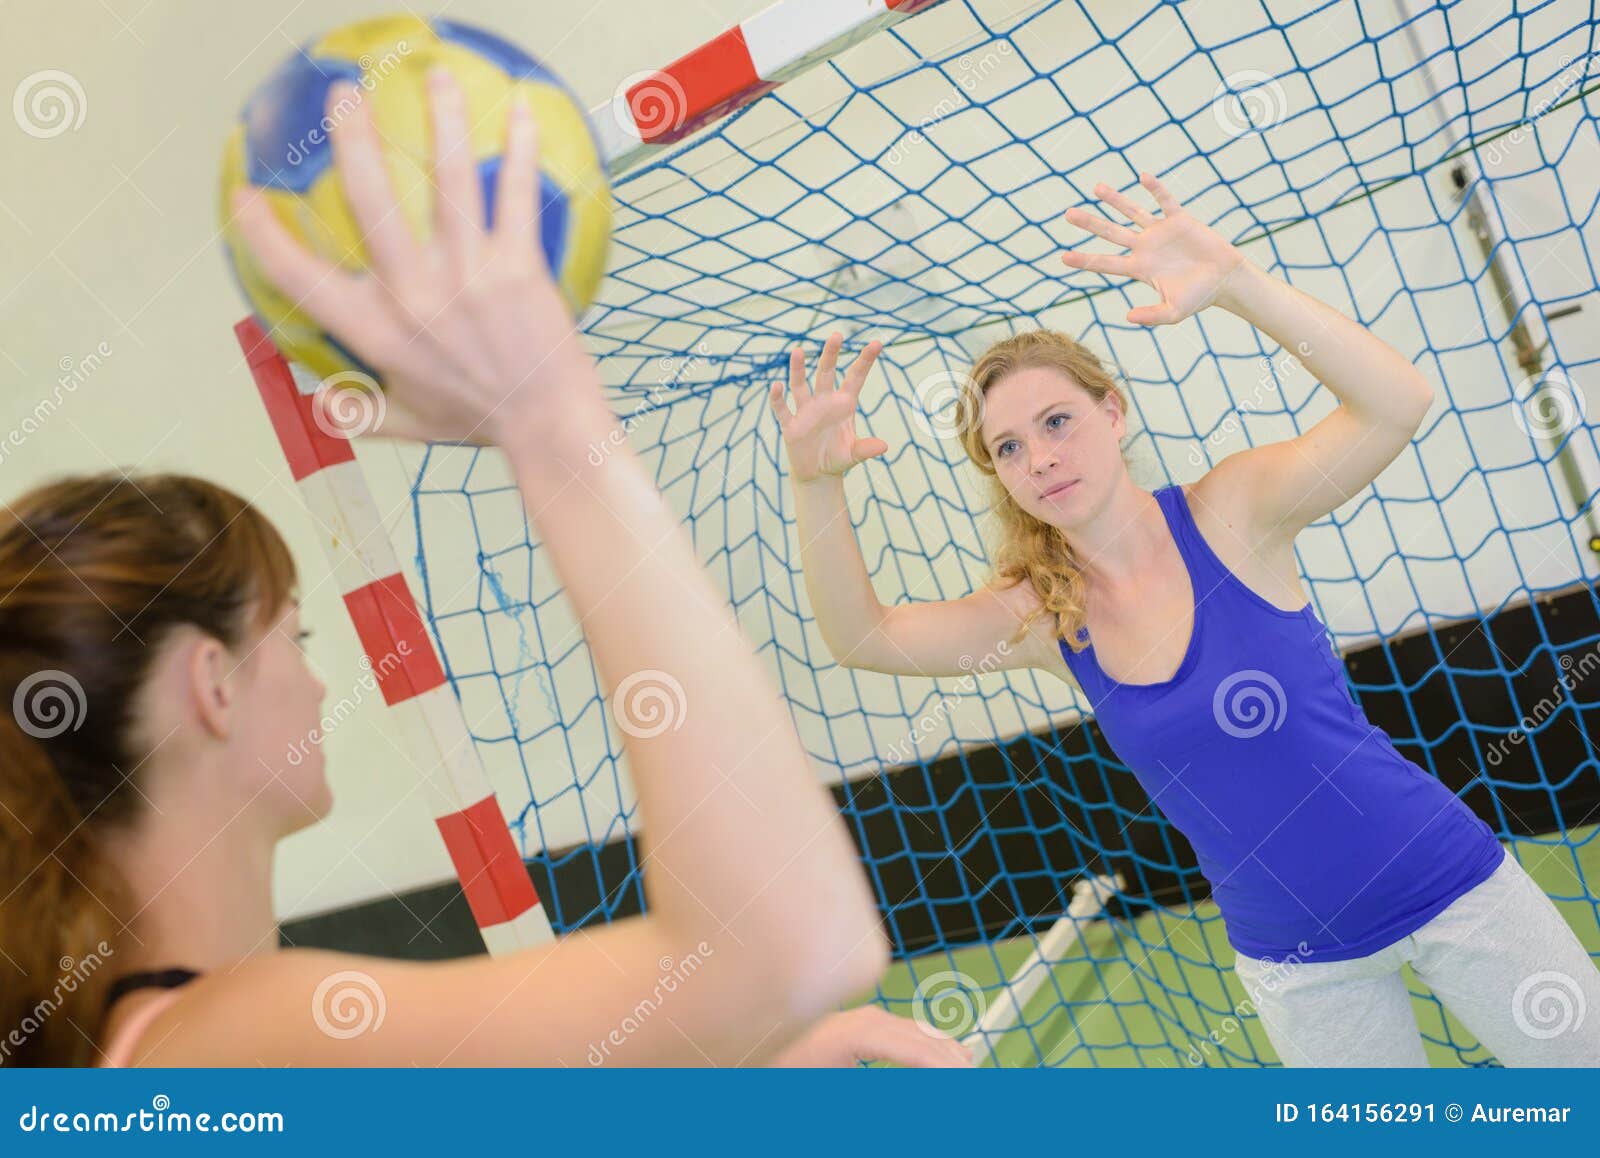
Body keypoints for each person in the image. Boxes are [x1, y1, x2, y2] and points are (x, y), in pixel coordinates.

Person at [0, 70, 901, 1069]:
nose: (313, 677)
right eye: (289, 636)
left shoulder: (164, 1044)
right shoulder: (233, 1039)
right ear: (210, 684)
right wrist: (549, 422)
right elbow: (795, 945)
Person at [769, 171, 1600, 1067]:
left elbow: (1396, 403)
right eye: (1008, 447)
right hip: (1299, 962)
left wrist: (1240, 283)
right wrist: (817, 485)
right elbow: (863, 638)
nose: (1041, 457)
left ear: (1112, 413)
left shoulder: (1231, 513)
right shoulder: (1044, 617)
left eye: (1057, 421)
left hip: (1448, 887)